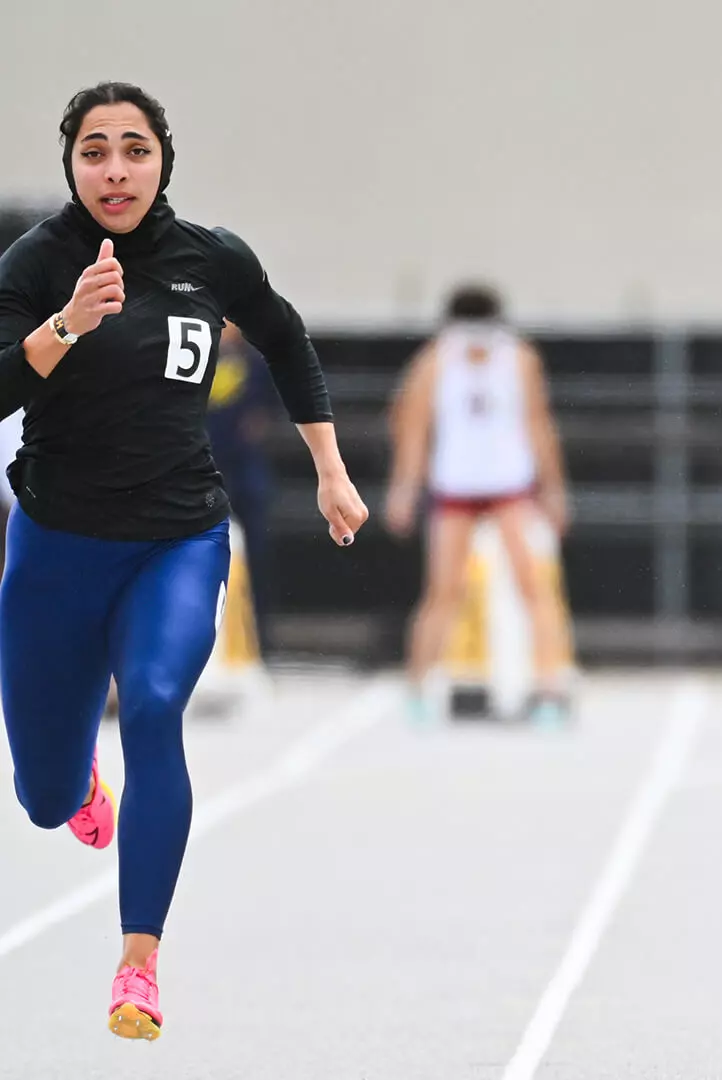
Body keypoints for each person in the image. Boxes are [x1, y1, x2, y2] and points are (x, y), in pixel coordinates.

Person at [0, 82, 367, 1040]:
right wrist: (68, 322)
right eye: (94, 152)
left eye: (133, 149)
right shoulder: (38, 265)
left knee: (157, 705)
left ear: (164, 157)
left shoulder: (214, 260)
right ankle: (76, 782)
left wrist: (331, 468)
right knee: (39, 798)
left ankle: (138, 965)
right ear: (71, 164)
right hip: (56, 548)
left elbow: (288, 342)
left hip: (177, 537)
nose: (114, 170)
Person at [386, 285, 573, 725]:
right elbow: (413, 428)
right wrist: (405, 489)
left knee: (533, 588)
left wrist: (553, 489)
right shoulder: (434, 362)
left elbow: (538, 424)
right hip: (456, 486)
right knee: (443, 591)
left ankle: (549, 690)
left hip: (509, 484)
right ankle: (418, 689)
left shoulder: (519, 359)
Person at [205, 321, 280, 658]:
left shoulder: (255, 361)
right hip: (203, 465)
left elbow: (267, 409)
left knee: (255, 556)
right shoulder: (195, 355)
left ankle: (258, 637)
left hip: (243, 469)